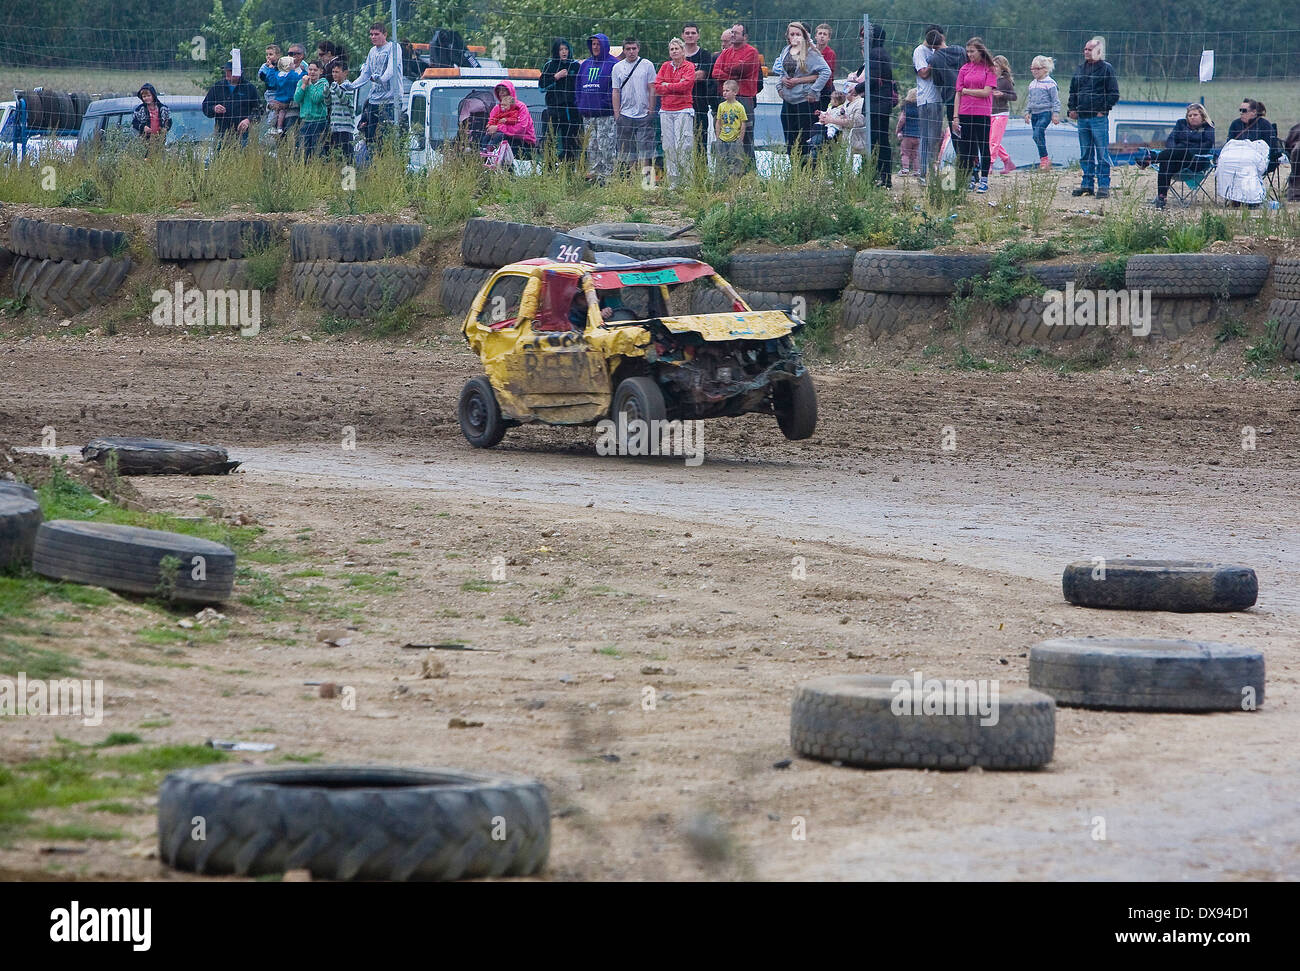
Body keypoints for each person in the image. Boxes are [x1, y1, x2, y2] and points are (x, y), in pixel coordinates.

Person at [1067, 36, 1119, 198]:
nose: (1086, 52)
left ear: (1098, 51)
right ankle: (1087, 184)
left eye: (1089, 49)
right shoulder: (1079, 69)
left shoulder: (1106, 69)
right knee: (1085, 153)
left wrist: (1103, 110)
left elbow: (1113, 93)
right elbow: (1073, 91)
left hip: (1098, 118)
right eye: (1085, 49)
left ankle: (1104, 186)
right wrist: (1072, 108)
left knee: (1102, 153)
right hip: (1082, 117)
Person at [1136, 103, 1213, 209]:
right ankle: (1162, 197)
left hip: (1196, 160)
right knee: (1167, 160)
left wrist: (1188, 150)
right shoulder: (1181, 123)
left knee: (1181, 149)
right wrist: (1175, 151)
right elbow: (1171, 140)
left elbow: (1207, 145)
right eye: (1189, 115)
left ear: (1202, 116)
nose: (1192, 117)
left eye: (1195, 115)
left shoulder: (1208, 126)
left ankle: (1150, 159)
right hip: (1177, 160)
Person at [772, 22, 830, 157]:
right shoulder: (786, 50)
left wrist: (813, 91)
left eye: (798, 34)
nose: (795, 37)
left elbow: (825, 72)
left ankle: (806, 172)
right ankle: (794, 171)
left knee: (803, 140)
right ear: (787, 36)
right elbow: (781, 71)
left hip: (804, 101)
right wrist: (780, 86)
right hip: (788, 100)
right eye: (792, 34)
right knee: (790, 140)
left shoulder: (811, 52)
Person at [953, 37, 997, 193]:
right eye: (968, 51)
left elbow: (986, 92)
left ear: (980, 51)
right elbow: (958, 94)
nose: (970, 54)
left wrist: (967, 91)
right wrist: (955, 116)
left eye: (972, 51)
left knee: (983, 146)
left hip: (982, 113)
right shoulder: (964, 69)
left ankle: (984, 179)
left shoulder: (989, 69)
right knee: (966, 147)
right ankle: (970, 177)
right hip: (965, 112)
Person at [711, 24, 761, 161]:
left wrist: (726, 70)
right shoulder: (726, 52)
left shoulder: (752, 52)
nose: (732, 35)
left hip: (744, 99)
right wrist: (733, 75)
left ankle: (749, 175)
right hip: (726, 101)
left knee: (745, 138)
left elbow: (742, 69)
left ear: (745, 37)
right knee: (725, 137)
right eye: (732, 32)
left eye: (736, 33)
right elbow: (715, 72)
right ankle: (726, 175)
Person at [611, 38, 657, 178]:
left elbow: (652, 88)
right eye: (628, 49)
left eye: (634, 48)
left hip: (643, 113)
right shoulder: (617, 67)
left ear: (638, 49)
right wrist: (617, 113)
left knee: (645, 149)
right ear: (623, 50)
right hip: (625, 113)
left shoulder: (647, 65)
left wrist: (651, 109)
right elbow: (616, 91)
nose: (631, 52)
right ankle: (633, 177)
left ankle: (646, 180)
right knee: (628, 150)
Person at [655, 38, 696, 189]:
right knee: (668, 146)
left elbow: (686, 86)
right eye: (671, 49)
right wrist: (674, 86)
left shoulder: (689, 66)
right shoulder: (665, 66)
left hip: (683, 109)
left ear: (683, 50)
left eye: (676, 48)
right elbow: (658, 86)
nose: (674, 51)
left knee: (684, 145)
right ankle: (674, 182)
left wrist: (668, 85)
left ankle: (687, 181)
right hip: (666, 110)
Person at [354, 22, 403, 147]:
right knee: (371, 138)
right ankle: (373, 162)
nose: (373, 37)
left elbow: (391, 69)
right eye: (371, 34)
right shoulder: (372, 51)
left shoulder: (393, 47)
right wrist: (352, 85)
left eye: (376, 34)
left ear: (385, 34)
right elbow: (365, 74)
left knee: (387, 136)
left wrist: (381, 79)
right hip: (374, 100)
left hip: (391, 100)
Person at [577, 33, 618, 182]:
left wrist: (606, 103)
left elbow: (616, 88)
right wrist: (581, 104)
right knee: (591, 146)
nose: (595, 47)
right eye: (593, 44)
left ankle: (608, 177)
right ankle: (593, 175)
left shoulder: (613, 64)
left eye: (598, 44)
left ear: (605, 45)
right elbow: (578, 87)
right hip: (588, 114)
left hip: (605, 114)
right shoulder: (586, 65)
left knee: (606, 146)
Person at [912, 25, 946, 182]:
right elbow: (923, 73)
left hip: (938, 98)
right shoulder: (920, 51)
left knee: (935, 137)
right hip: (926, 99)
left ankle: (932, 170)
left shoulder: (934, 51)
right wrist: (935, 62)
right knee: (926, 137)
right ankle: (923, 173)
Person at [202, 61, 262, 147]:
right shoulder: (217, 87)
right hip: (221, 134)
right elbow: (205, 107)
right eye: (226, 70)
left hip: (243, 136)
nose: (227, 73)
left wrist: (248, 120)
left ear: (239, 72)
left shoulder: (250, 88)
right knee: (220, 158)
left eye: (230, 71)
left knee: (242, 159)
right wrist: (214, 108)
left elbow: (259, 110)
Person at [540, 39, 582, 162]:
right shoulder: (550, 65)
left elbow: (580, 86)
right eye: (561, 50)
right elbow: (542, 86)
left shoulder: (575, 66)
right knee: (550, 139)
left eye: (566, 49)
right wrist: (555, 77)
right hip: (555, 109)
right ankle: (548, 168)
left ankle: (569, 168)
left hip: (572, 111)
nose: (564, 52)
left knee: (571, 140)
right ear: (556, 52)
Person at [866, 23, 894, 186]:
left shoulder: (875, 54)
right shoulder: (881, 52)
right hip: (882, 103)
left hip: (877, 104)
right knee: (882, 140)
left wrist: (857, 88)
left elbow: (874, 80)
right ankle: (885, 177)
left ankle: (879, 175)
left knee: (877, 141)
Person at [815, 81, 866, 168]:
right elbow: (837, 115)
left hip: (852, 136)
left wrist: (831, 120)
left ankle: (824, 167)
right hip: (840, 132)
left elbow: (857, 122)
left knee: (822, 139)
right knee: (818, 130)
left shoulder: (860, 103)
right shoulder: (846, 104)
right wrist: (825, 118)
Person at [1023, 56, 1061, 170]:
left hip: (1045, 113)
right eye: (1032, 69)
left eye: (1037, 69)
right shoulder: (1032, 84)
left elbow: (1055, 100)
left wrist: (1055, 113)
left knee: (1037, 133)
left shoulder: (1050, 83)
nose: (1034, 71)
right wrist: (1027, 112)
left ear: (1045, 69)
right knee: (1037, 137)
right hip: (1034, 113)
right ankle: (1044, 160)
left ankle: (1044, 158)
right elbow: (1030, 99)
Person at [482, 80, 536, 155]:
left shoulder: (520, 107)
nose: (501, 93)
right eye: (499, 90)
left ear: (511, 92)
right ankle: (485, 153)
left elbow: (520, 129)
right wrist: (490, 127)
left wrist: (498, 128)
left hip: (523, 143)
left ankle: (493, 154)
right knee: (484, 138)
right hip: (500, 139)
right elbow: (492, 123)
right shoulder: (496, 109)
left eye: (504, 90)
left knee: (503, 139)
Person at [681, 24, 715, 146]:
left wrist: (680, 78)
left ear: (698, 36)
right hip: (679, 106)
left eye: (693, 33)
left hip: (699, 105)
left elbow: (701, 75)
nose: (690, 35)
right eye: (687, 33)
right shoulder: (676, 53)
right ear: (682, 35)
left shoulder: (705, 55)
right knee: (681, 143)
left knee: (700, 144)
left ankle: (701, 166)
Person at [323, 58, 360, 160]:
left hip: (345, 127)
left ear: (345, 73)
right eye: (333, 72)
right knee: (336, 154)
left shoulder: (348, 86)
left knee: (347, 154)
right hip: (335, 126)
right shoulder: (334, 86)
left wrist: (336, 89)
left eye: (337, 72)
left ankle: (350, 172)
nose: (334, 75)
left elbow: (345, 101)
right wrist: (326, 93)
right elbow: (329, 104)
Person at [293, 60, 328, 156]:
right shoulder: (301, 82)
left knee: (317, 150)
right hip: (305, 121)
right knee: (303, 150)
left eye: (315, 70)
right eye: (310, 69)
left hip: (319, 121)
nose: (312, 72)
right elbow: (297, 98)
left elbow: (316, 98)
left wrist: (310, 85)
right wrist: (304, 85)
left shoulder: (324, 83)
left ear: (321, 71)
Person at [989, 55, 1016, 173]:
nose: (994, 69)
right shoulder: (989, 79)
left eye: (996, 66)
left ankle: (989, 163)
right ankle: (1007, 161)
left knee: (994, 140)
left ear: (1002, 68)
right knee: (990, 140)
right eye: (993, 66)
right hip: (990, 113)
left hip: (1001, 113)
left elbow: (1014, 96)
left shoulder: (1005, 81)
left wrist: (1002, 94)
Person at [715, 79, 747, 177]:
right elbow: (718, 121)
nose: (724, 93)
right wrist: (718, 137)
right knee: (721, 160)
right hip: (723, 138)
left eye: (727, 91)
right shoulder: (721, 106)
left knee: (736, 161)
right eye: (723, 90)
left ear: (735, 92)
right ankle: (721, 180)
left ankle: (735, 181)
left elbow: (743, 123)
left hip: (735, 139)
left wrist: (740, 139)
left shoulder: (739, 107)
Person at [267, 55, 302, 134]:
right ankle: (279, 128)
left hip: (278, 98)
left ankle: (273, 127)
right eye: (293, 64)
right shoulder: (290, 75)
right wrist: (303, 72)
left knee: (277, 113)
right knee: (282, 111)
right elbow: (298, 78)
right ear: (288, 66)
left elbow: (271, 81)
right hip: (287, 99)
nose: (294, 65)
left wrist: (271, 69)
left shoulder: (278, 75)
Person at [896, 87, 921, 175]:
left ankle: (905, 169)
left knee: (905, 153)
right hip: (918, 135)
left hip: (907, 135)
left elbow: (902, 120)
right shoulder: (921, 108)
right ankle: (917, 170)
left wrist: (898, 130)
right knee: (915, 154)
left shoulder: (906, 107)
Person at [258, 45, 282, 114]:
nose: (268, 56)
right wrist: (267, 67)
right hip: (270, 92)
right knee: (272, 112)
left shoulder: (281, 66)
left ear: (278, 55)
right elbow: (262, 76)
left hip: (279, 91)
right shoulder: (265, 66)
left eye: (271, 54)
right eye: (267, 54)